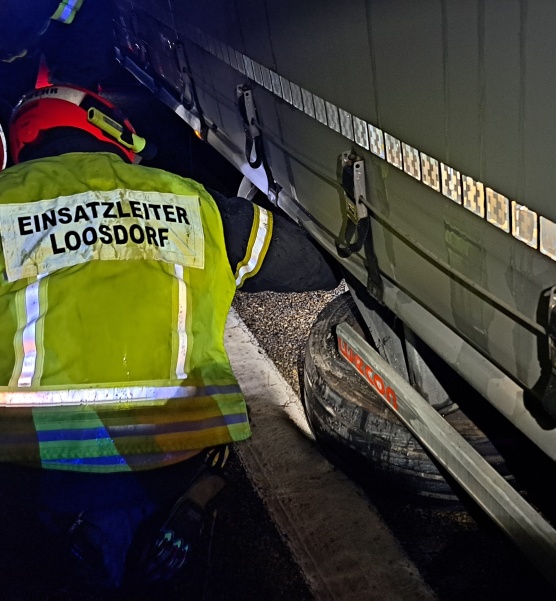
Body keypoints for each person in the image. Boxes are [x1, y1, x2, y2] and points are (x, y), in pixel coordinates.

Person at [0, 83, 340, 595]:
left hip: (36, 473)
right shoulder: (188, 201)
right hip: (176, 466)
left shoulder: (7, 203)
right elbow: (311, 266)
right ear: (110, 130)